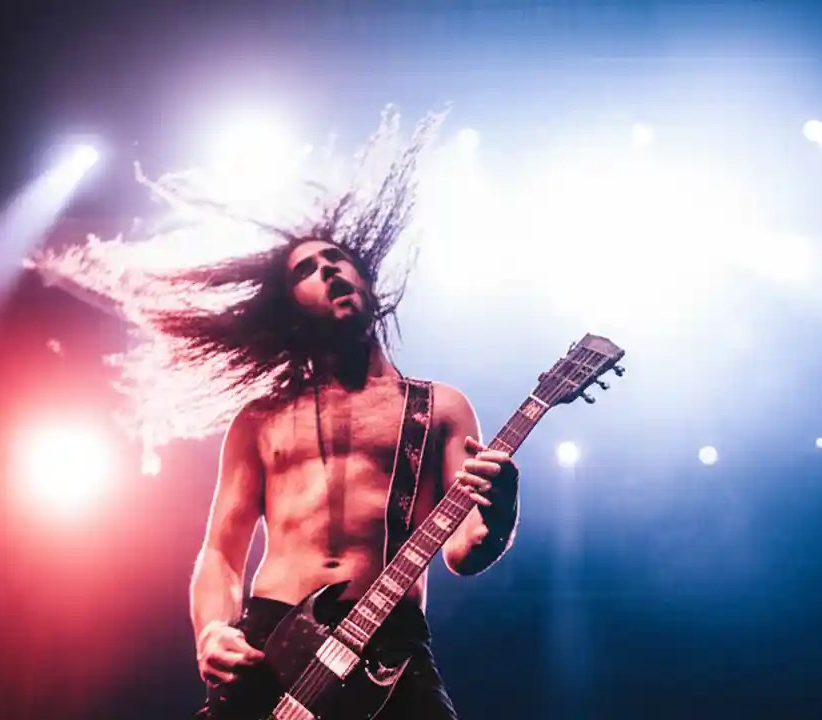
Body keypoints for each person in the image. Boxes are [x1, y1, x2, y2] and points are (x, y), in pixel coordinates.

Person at [29, 109, 519, 718]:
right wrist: (211, 631)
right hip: (273, 645)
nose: (329, 270)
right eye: (307, 271)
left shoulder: (440, 406)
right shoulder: (260, 419)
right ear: (292, 310)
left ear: (365, 281)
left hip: (390, 643)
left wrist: (499, 513)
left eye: (337, 260)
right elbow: (221, 551)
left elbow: (464, 550)